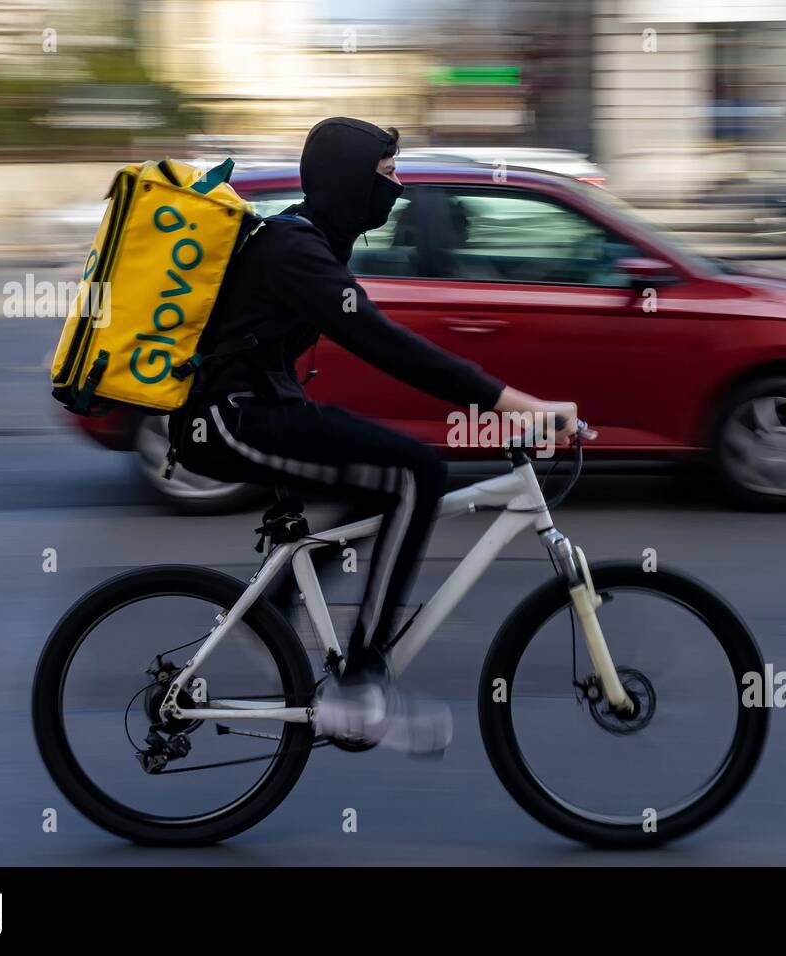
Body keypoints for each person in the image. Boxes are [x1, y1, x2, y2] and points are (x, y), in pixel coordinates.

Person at [174, 117, 576, 752]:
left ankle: (272, 613)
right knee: (417, 473)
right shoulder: (296, 249)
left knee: (381, 479)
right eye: (387, 176)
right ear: (348, 182)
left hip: (257, 408)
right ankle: (360, 684)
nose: (398, 189)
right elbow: (386, 346)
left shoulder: (314, 241)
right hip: (231, 419)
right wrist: (513, 403)